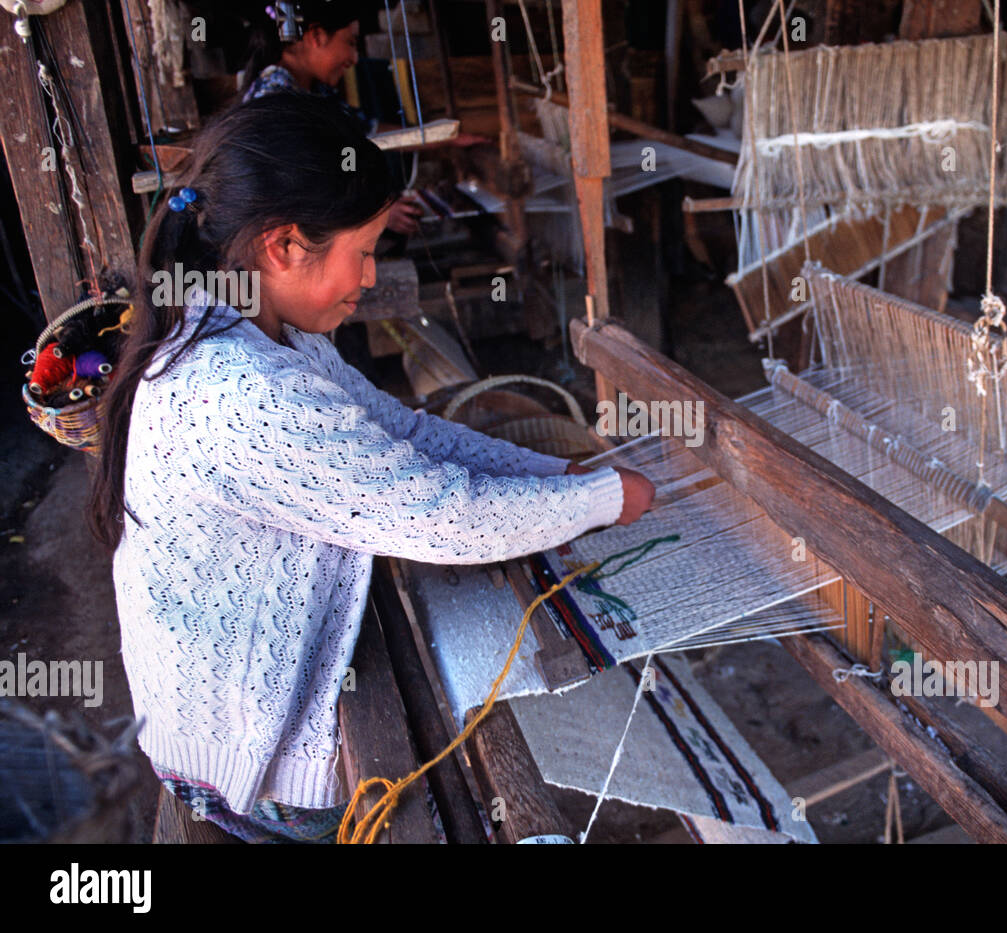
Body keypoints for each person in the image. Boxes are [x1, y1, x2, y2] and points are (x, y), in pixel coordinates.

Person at [87, 93, 655, 843]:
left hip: (236, 709)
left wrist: (558, 474)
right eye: (364, 249)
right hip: (246, 766)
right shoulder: (247, 393)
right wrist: (605, 498)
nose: (369, 275)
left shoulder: (260, 330)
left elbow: (406, 432)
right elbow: (444, 516)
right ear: (283, 245)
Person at [242, 0, 424, 235]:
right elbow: (298, 188)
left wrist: (448, 136)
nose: (355, 58)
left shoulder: (314, 93)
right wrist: (377, 212)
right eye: (350, 42)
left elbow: (367, 132)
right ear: (317, 36)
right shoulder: (275, 101)